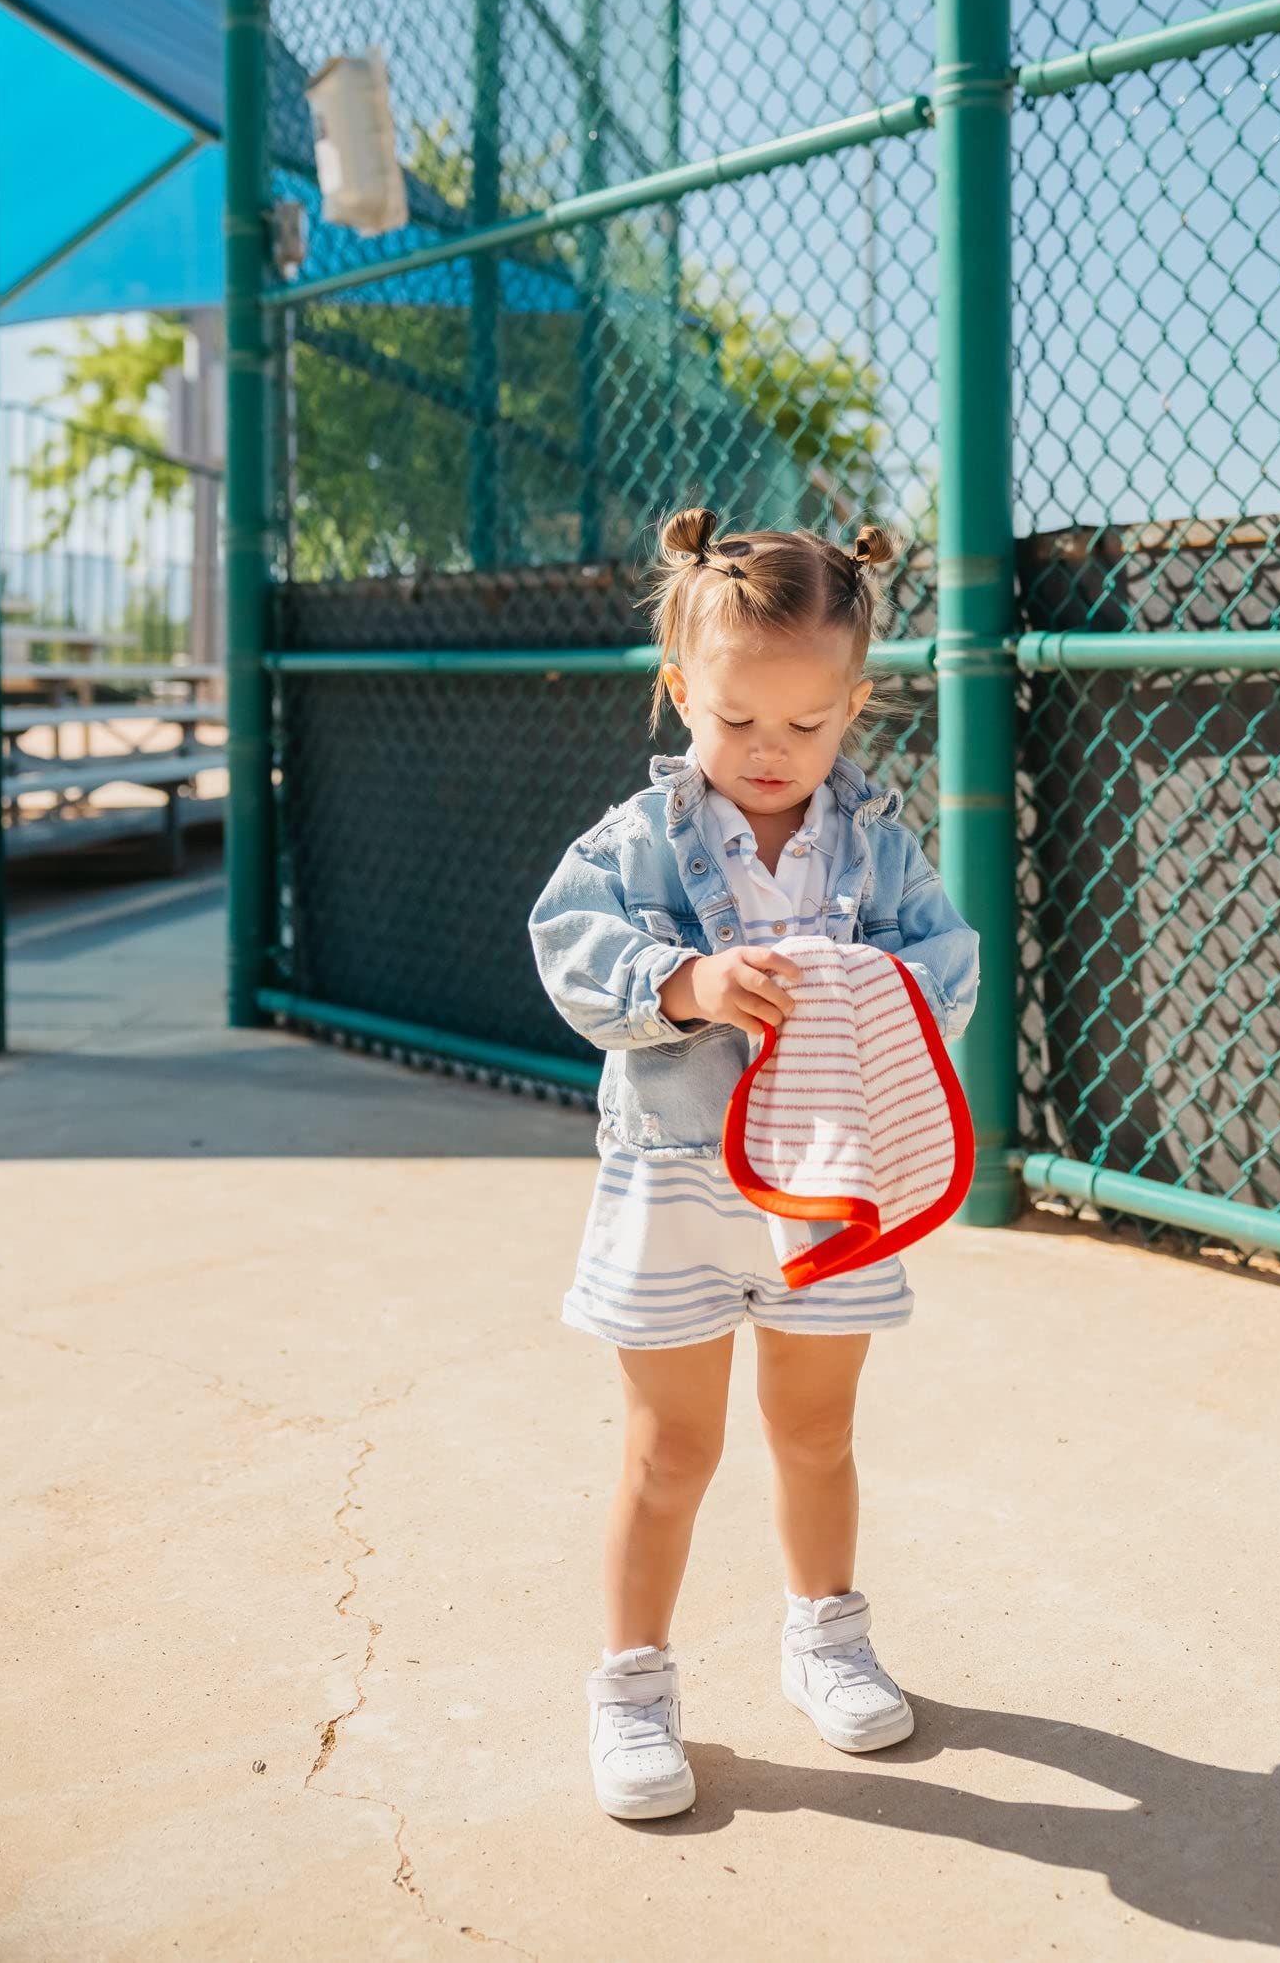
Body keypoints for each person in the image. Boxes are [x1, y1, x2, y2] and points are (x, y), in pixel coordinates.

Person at [528, 505, 980, 1822]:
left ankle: (824, 1640)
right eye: (736, 722)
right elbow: (567, 942)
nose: (769, 752)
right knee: (669, 1451)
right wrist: (686, 981)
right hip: (676, 1188)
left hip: (831, 1187)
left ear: (856, 704)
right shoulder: (642, 841)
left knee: (817, 1433)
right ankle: (630, 1689)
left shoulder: (880, 850)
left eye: (807, 723)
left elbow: (945, 969)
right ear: (682, 694)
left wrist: (869, 988)